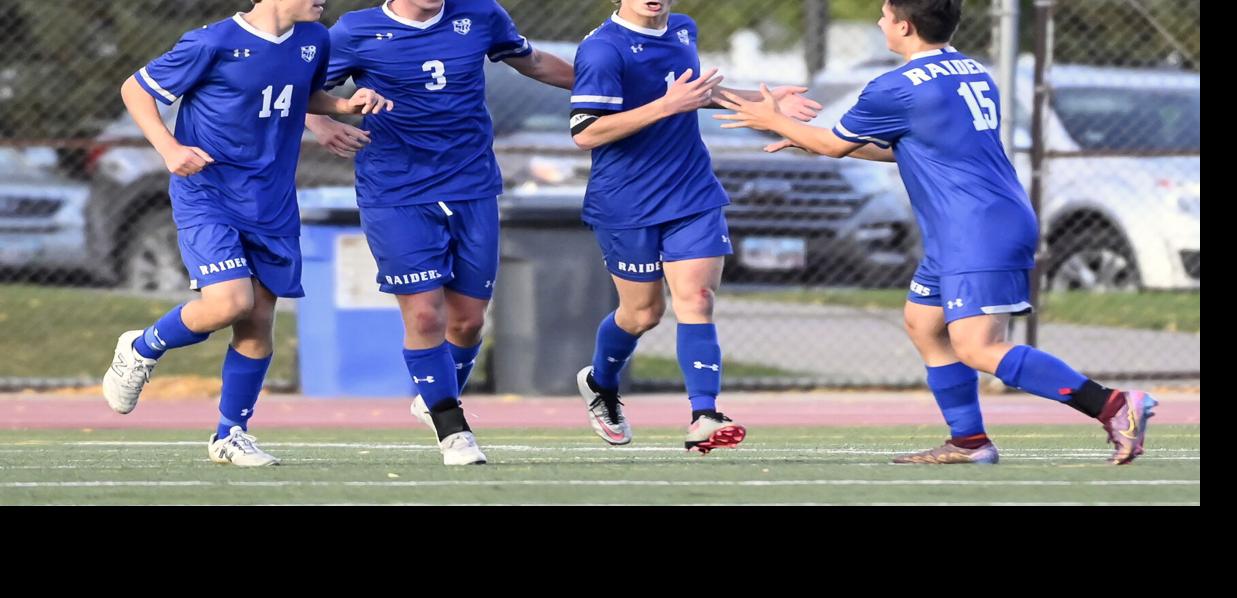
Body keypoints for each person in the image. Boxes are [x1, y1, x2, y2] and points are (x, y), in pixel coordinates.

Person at [715, 0, 1156, 465]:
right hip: (968, 225)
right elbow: (914, 147)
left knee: (977, 345)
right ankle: (969, 442)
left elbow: (835, 143)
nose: (879, 23)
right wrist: (814, 140)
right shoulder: (970, 69)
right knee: (925, 323)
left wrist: (776, 121)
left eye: (884, 16)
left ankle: (1112, 404)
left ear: (903, 26)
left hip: (978, 227)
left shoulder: (894, 86)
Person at [102, 0, 392, 467]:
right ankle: (141, 347)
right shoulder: (212, 41)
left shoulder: (313, 39)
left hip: (272, 201)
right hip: (209, 194)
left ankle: (230, 434)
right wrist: (169, 148)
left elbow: (298, 94)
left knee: (257, 320)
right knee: (230, 303)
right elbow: (136, 90)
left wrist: (343, 105)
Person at [306, 0, 577, 465]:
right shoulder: (355, 30)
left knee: (468, 322)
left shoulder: (482, 15)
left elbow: (532, 62)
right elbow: (303, 88)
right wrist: (321, 122)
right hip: (396, 189)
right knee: (426, 316)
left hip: (471, 184)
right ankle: (452, 426)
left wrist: (611, 87)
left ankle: (433, 395)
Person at [568, 0, 821, 454]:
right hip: (626, 201)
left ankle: (704, 415)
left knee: (697, 298)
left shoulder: (683, 29)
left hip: (692, 192)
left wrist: (762, 102)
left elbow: (694, 92)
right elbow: (586, 131)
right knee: (643, 314)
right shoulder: (604, 51)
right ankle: (601, 383)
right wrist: (665, 108)